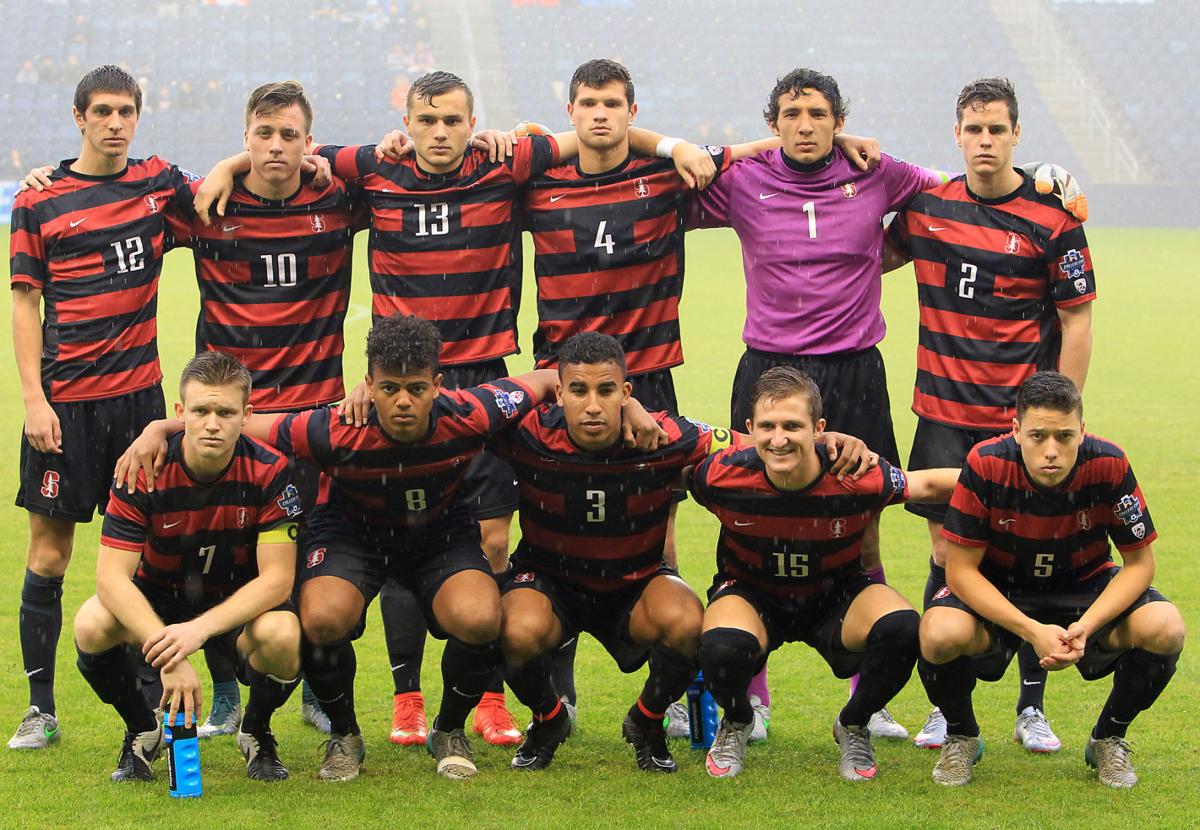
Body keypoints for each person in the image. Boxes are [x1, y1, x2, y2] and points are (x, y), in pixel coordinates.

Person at [117, 315, 647, 781]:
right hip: (353, 533)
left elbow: (551, 378)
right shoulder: (334, 429)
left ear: (438, 385)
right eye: (389, 388)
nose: (403, 401)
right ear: (368, 386)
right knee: (321, 617)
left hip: (438, 534)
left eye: (416, 388)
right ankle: (345, 735)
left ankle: (448, 730)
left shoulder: (473, 412)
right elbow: (240, 421)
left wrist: (632, 406)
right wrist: (161, 426)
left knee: (482, 616)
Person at [887, 77, 1095, 753]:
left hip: (1018, 422)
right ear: (956, 134)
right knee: (947, 553)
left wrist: (1063, 417)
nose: (984, 140)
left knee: (1030, 553)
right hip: (943, 414)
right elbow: (867, 254)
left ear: (1016, 135)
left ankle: (1031, 707)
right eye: (973, 129)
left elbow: (1077, 320)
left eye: (996, 129)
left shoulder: (1054, 220)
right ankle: (946, 708)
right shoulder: (927, 207)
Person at [8, 64, 196, 750]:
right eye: (103, 112)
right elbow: (24, 304)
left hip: (140, 407)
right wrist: (34, 399)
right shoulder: (39, 201)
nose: (116, 123)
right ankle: (41, 709)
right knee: (50, 554)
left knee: (149, 558)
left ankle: (156, 709)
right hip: (65, 407)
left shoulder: (158, 184)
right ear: (79, 118)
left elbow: (221, 194)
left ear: (138, 117)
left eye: (126, 112)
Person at [917, 372, 1185, 788]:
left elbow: (1139, 564)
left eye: (1064, 436)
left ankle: (1108, 738)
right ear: (1016, 430)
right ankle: (962, 735)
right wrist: (1031, 631)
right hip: (1001, 588)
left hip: (1084, 586)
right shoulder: (985, 464)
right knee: (937, 632)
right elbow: (960, 571)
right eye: (1038, 436)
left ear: (1082, 430)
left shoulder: (1109, 463)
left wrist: (1087, 626)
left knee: (1166, 627)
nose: (1051, 451)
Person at [690, 366, 958, 780]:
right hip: (752, 594)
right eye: (768, 426)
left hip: (836, 596)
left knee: (903, 629)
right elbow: (665, 470)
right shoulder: (720, 475)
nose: (779, 439)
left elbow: (927, 486)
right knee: (719, 647)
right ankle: (738, 720)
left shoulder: (853, 474)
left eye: (792, 426)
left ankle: (854, 723)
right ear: (749, 428)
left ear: (818, 429)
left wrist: (1007, 472)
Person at [73, 351, 302, 782]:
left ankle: (256, 731)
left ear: (246, 415)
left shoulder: (271, 472)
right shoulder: (143, 468)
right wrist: (170, 656)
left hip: (234, 604)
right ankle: (143, 729)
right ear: (180, 413)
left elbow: (278, 580)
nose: (212, 423)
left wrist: (197, 631)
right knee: (91, 623)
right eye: (200, 411)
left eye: (225, 412)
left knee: (284, 635)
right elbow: (110, 579)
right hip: (159, 603)